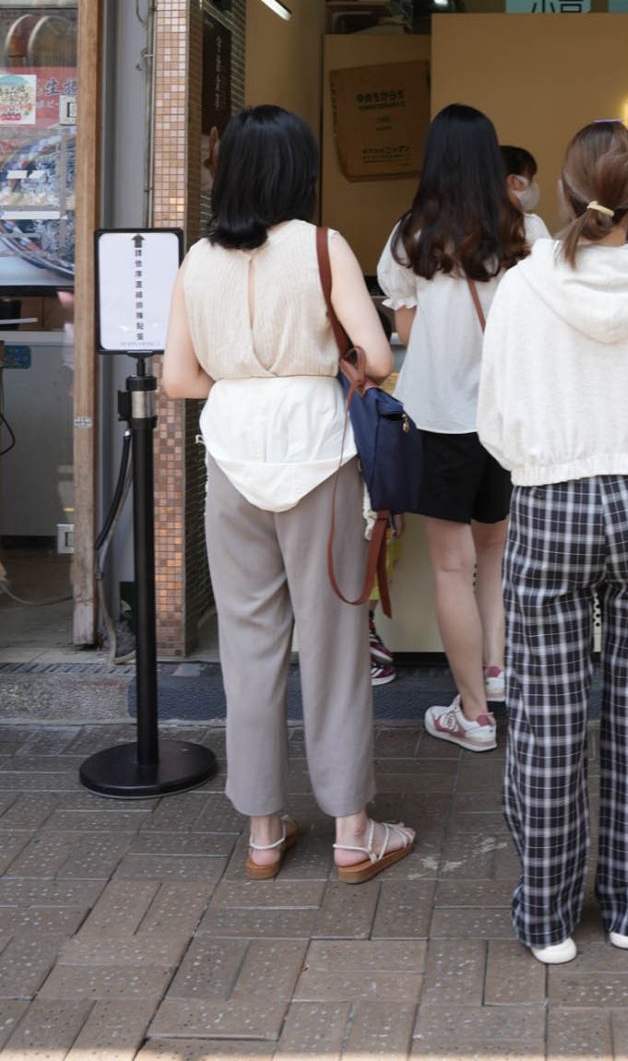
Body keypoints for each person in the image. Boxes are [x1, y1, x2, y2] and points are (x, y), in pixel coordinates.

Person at [163, 105, 414, 882]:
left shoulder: (197, 260)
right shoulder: (319, 246)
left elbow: (178, 380)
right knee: (335, 644)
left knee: (249, 645)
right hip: (317, 457)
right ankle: (351, 831)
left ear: (227, 170)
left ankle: (265, 832)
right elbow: (375, 357)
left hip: (232, 457)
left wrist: (242, 384)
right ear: (296, 174)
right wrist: (319, 369)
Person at [477, 120, 628, 966]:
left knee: (544, 717)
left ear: (564, 195)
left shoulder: (526, 284)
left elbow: (493, 409)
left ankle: (547, 916)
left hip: (548, 498)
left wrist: (544, 460)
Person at [378, 104, 528, 751]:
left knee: (451, 568)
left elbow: (405, 334)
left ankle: (473, 715)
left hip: (438, 420)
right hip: (506, 419)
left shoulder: (411, 237)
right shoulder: (524, 234)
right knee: (495, 552)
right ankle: (495, 674)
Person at [501, 144, 552, 244]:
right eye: (531, 178)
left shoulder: (470, 224)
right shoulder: (532, 224)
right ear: (514, 182)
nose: (533, 186)